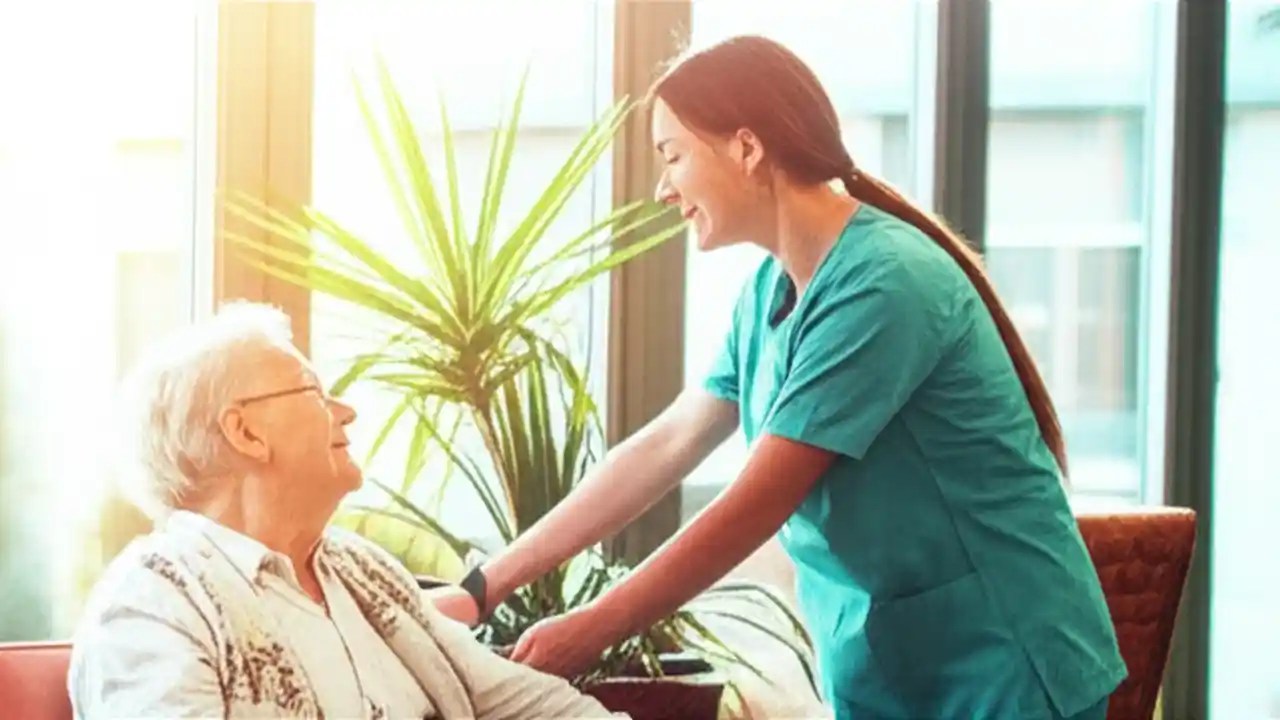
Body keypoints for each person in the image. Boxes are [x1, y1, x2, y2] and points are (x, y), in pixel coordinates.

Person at [433, 35, 1126, 720]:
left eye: (672, 155)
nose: (661, 188)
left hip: (1000, 664)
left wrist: (589, 632)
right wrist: (480, 587)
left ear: (747, 147)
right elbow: (664, 446)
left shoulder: (884, 285)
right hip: (891, 665)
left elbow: (754, 504)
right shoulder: (771, 290)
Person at [68, 302, 622, 719]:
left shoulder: (365, 573)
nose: (346, 411)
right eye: (313, 390)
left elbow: (524, 703)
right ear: (244, 432)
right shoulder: (152, 604)